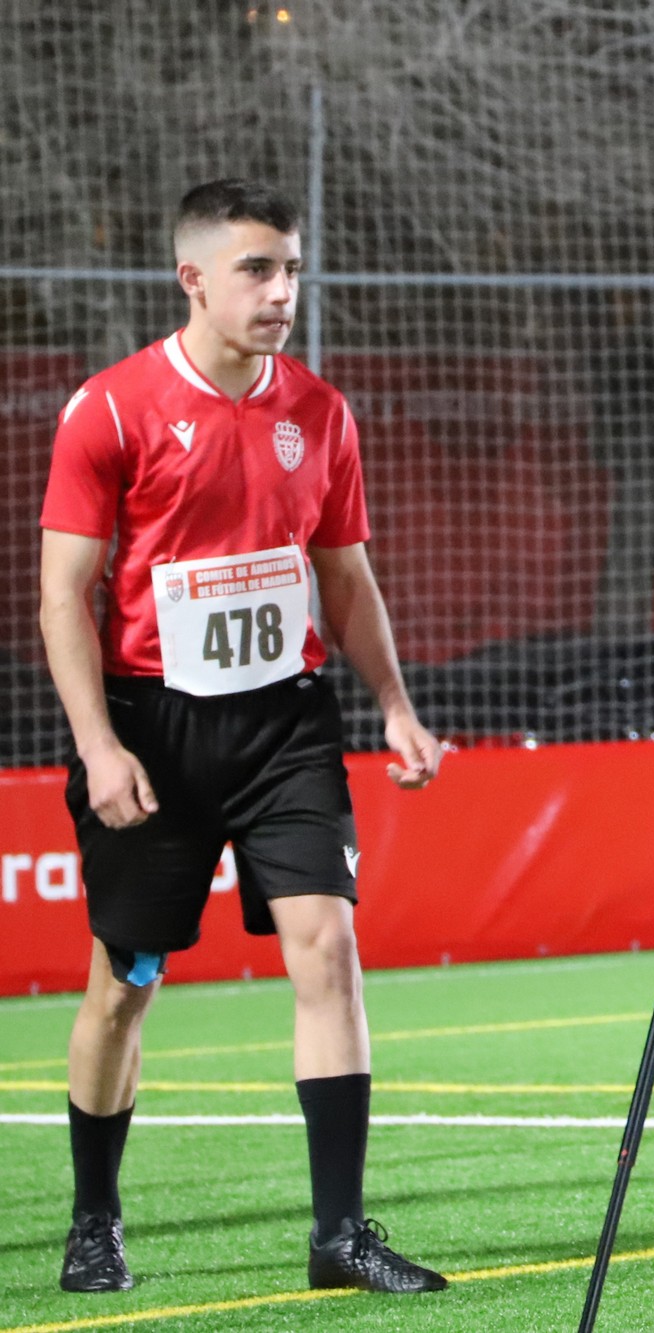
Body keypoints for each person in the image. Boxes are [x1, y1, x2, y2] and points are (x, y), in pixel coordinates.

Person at [39, 179, 448, 1294]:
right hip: (150, 730)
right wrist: (97, 746)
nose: (281, 291)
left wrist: (397, 707)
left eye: (292, 268)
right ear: (194, 279)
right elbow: (60, 595)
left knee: (328, 947)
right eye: (258, 270)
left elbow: (347, 578)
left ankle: (339, 1235)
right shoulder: (112, 408)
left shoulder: (320, 412)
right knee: (125, 982)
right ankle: (92, 1218)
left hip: (286, 719)